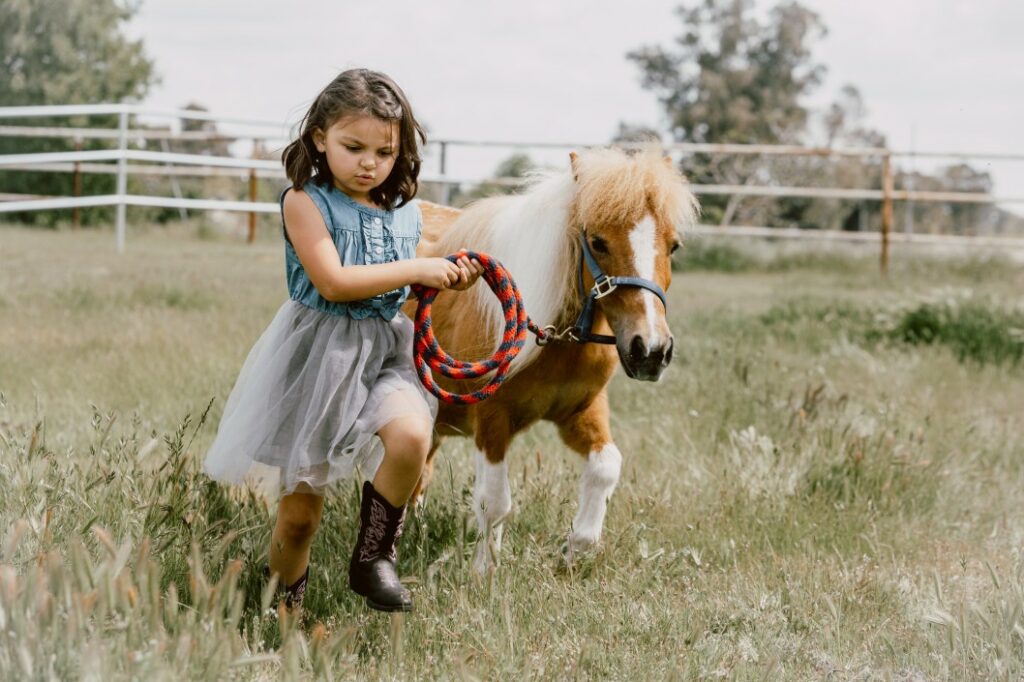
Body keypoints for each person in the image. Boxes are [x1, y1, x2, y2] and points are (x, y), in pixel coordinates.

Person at [203, 68, 482, 613]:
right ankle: (281, 607)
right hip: (322, 358)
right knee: (300, 517)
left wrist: (449, 274)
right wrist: (417, 267)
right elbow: (334, 281)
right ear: (319, 139)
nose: (369, 163)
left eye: (384, 151)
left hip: (385, 352)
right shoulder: (304, 203)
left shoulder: (406, 213)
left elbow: (404, 285)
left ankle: (374, 556)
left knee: (410, 439)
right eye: (353, 147)